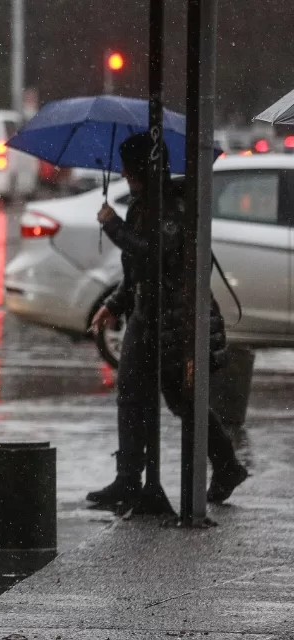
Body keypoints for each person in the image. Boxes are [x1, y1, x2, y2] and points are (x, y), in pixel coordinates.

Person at [87, 132, 248, 508]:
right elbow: (138, 270)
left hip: (178, 318)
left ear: (145, 169)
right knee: (131, 392)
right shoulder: (141, 205)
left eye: (131, 172)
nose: (127, 178)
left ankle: (226, 465)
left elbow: (155, 254)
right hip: (146, 315)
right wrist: (115, 303)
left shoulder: (172, 205)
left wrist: (113, 227)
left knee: (184, 399)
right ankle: (129, 478)